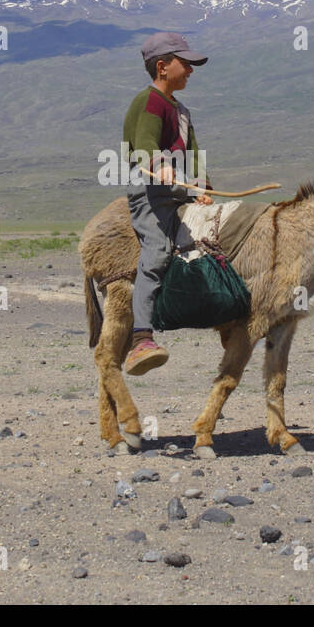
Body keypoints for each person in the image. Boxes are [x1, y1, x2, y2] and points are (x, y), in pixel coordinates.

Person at [121, 31, 214, 375]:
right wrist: (159, 166)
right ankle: (140, 337)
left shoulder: (183, 110)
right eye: (185, 63)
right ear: (162, 67)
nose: (191, 70)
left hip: (179, 190)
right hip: (151, 192)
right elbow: (144, 144)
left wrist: (201, 187)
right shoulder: (148, 101)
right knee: (158, 251)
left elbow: (193, 157)